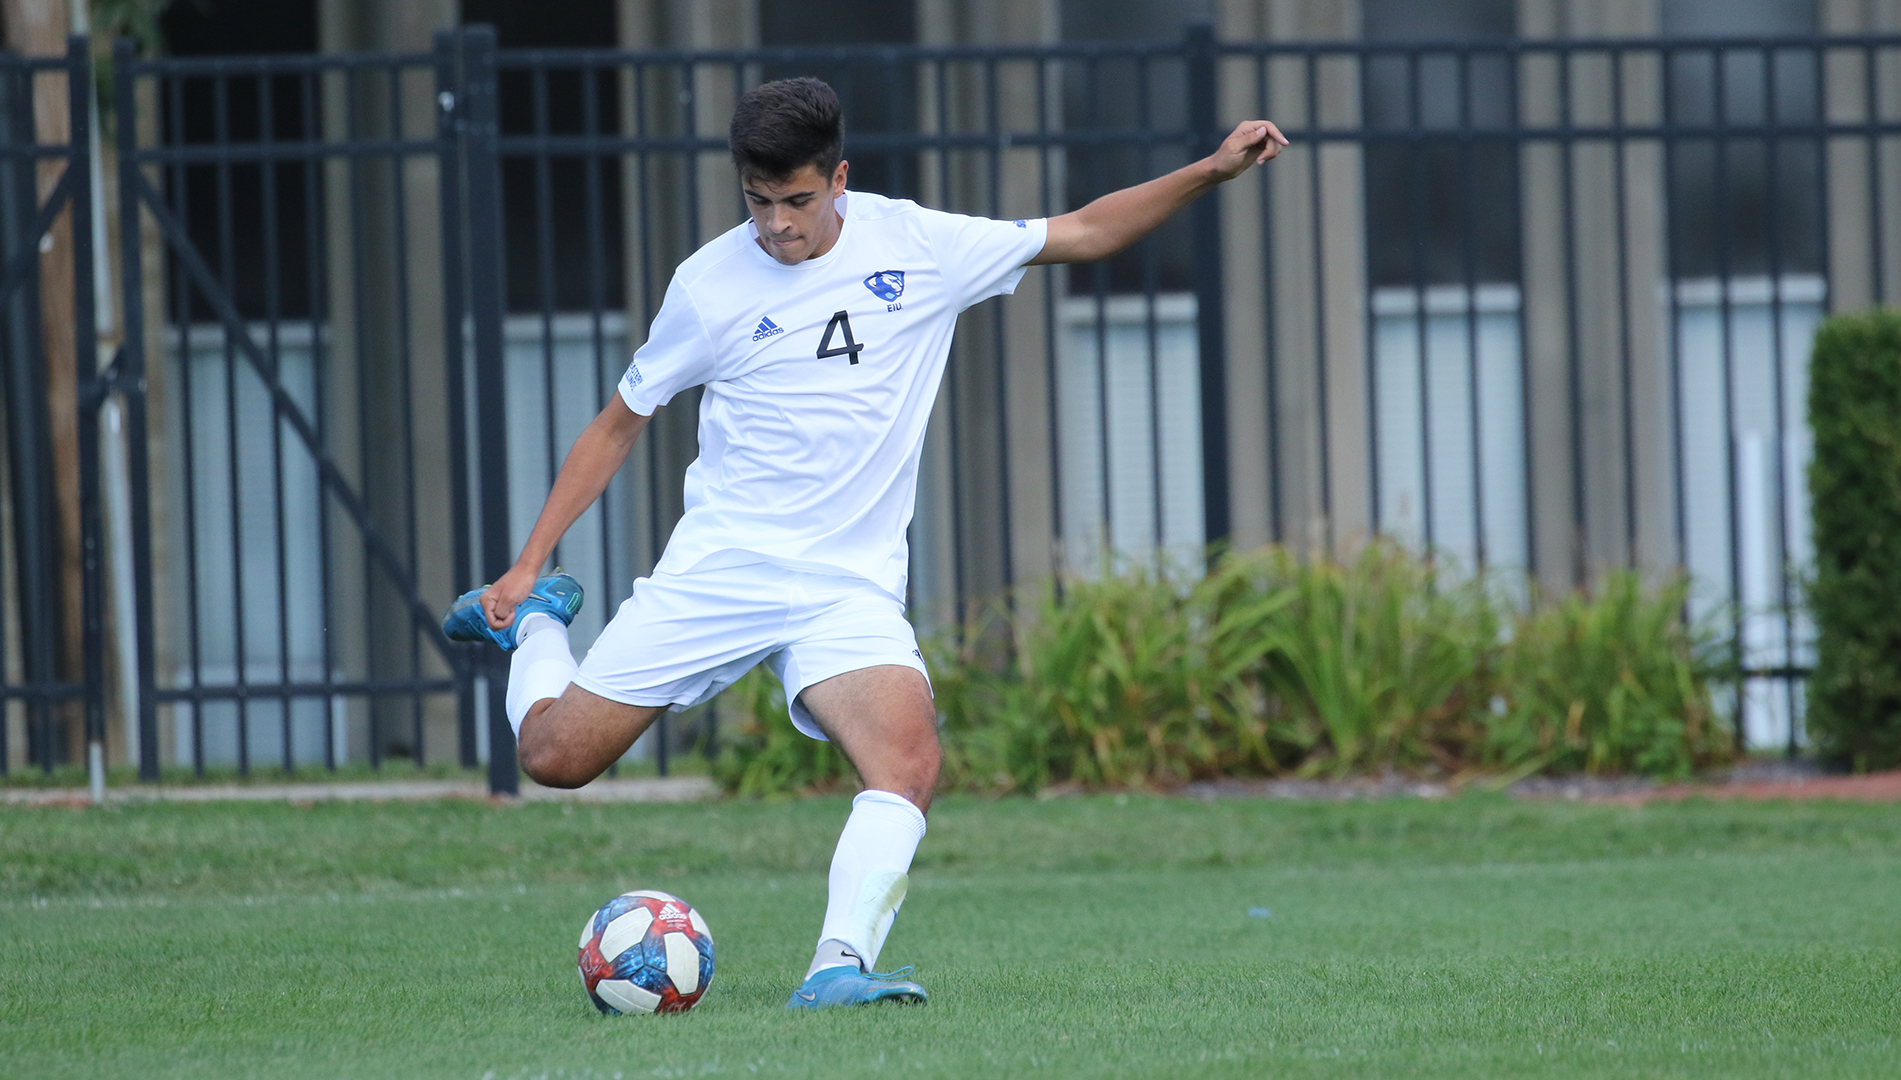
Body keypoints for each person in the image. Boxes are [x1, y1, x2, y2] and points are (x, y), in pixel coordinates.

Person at [443, 76, 1285, 1009]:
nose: (777, 226)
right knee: (555, 760)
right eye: (758, 204)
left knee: (908, 762)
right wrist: (526, 569)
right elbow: (616, 425)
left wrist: (1211, 171)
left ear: (839, 178)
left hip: (847, 585)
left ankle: (835, 966)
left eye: (797, 201)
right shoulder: (708, 286)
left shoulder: (917, 244)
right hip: (726, 569)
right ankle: (541, 631)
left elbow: (1082, 231)